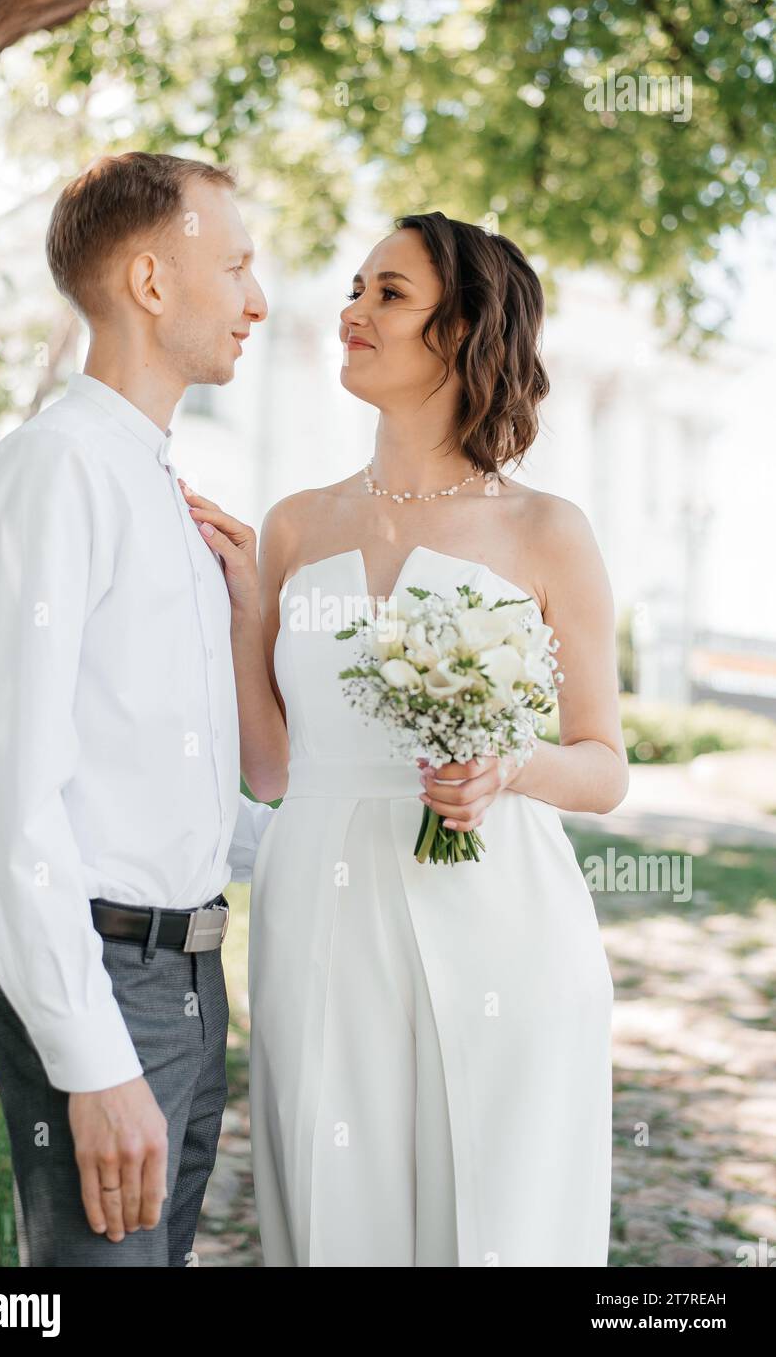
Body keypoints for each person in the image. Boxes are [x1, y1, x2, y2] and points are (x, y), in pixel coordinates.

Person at [181, 213, 628, 1266]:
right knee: (336, 1204)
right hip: (320, 909)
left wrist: (511, 767)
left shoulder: (546, 530)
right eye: (355, 287)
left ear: (462, 328)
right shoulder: (295, 524)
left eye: (390, 294)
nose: (353, 311)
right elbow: (273, 768)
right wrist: (247, 616)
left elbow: (604, 765)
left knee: (497, 1218)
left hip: (502, 913)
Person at [0, 151, 272, 1266]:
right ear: (149, 280)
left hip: (190, 978)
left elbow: (165, 785)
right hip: (104, 980)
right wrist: (91, 1061)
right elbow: (14, 804)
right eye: (235, 267)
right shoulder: (57, 471)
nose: (257, 302)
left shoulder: (160, 487)